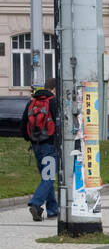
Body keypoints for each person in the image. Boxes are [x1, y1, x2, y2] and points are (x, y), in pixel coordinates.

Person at [21, 85, 59, 222]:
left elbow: (23, 123)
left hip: (35, 145)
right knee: (48, 178)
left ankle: (53, 210)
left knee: (46, 178)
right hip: (49, 146)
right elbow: (58, 123)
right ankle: (36, 204)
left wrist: (30, 139)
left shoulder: (32, 102)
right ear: (53, 89)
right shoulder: (53, 102)